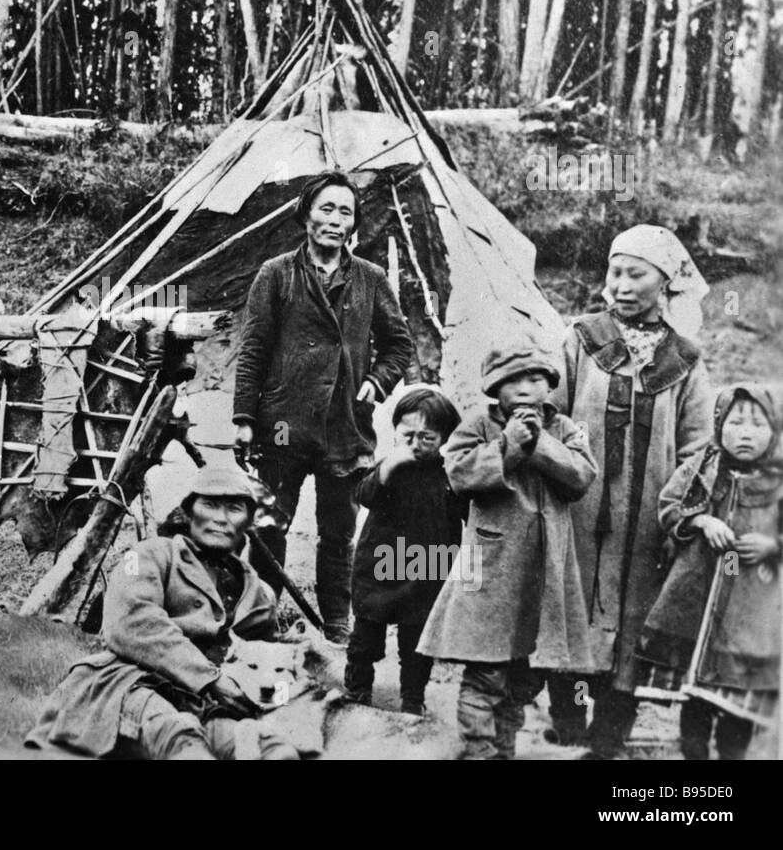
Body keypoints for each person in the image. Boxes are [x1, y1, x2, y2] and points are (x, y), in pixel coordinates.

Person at [542, 225, 715, 758]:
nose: (619, 284)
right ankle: (567, 715)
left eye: (634, 274)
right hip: (580, 504)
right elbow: (552, 411)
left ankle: (611, 729)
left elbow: (698, 444)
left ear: (664, 283)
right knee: (570, 600)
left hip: (646, 518)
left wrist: (680, 510)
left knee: (633, 613)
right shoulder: (582, 338)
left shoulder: (685, 360)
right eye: (614, 272)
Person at [232, 172, 414, 644]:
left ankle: (336, 624)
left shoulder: (370, 280)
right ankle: (261, 621)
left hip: (344, 426)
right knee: (269, 526)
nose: (336, 220)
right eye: (327, 209)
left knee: (338, 533)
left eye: (346, 212)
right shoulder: (275, 274)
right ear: (306, 214)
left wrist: (376, 381)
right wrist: (245, 419)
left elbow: (399, 345)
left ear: (354, 224)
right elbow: (252, 349)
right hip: (282, 424)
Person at [26, 465, 299, 760]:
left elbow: (263, 657)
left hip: (207, 704)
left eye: (234, 508)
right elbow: (132, 622)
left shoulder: (257, 592)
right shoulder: (150, 555)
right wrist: (210, 678)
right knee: (183, 746)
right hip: (131, 682)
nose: (221, 518)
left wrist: (277, 692)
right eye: (209, 504)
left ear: (248, 520)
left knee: (273, 749)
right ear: (189, 511)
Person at [417, 343, 597, 759]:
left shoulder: (567, 428)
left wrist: (540, 445)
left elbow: (582, 476)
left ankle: (505, 750)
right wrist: (509, 444)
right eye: (513, 380)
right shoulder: (479, 426)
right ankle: (479, 752)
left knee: (522, 677)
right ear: (494, 388)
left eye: (535, 379)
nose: (526, 389)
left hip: (545, 574)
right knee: (485, 673)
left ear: (550, 386)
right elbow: (459, 474)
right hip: (492, 572)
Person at [636, 384, 782, 760]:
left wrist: (772, 545)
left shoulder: (778, 479)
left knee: (738, 699)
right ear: (719, 425)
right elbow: (668, 504)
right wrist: (701, 520)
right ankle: (694, 753)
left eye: (757, 424)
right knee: (696, 688)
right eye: (735, 422)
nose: (745, 433)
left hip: (752, 601)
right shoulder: (704, 465)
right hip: (700, 590)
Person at [345, 387, 465, 715]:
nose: (414, 444)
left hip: (427, 567)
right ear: (395, 431)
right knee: (365, 637)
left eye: (426, 437)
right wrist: (387, 468)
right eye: (407, 435)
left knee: (417, 641)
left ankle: (413, 699)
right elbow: (364, 495)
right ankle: (357, 694)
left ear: (445, 438)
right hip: (380, 564)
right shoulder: (391, 466)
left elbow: (472, 512)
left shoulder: (451, 474)